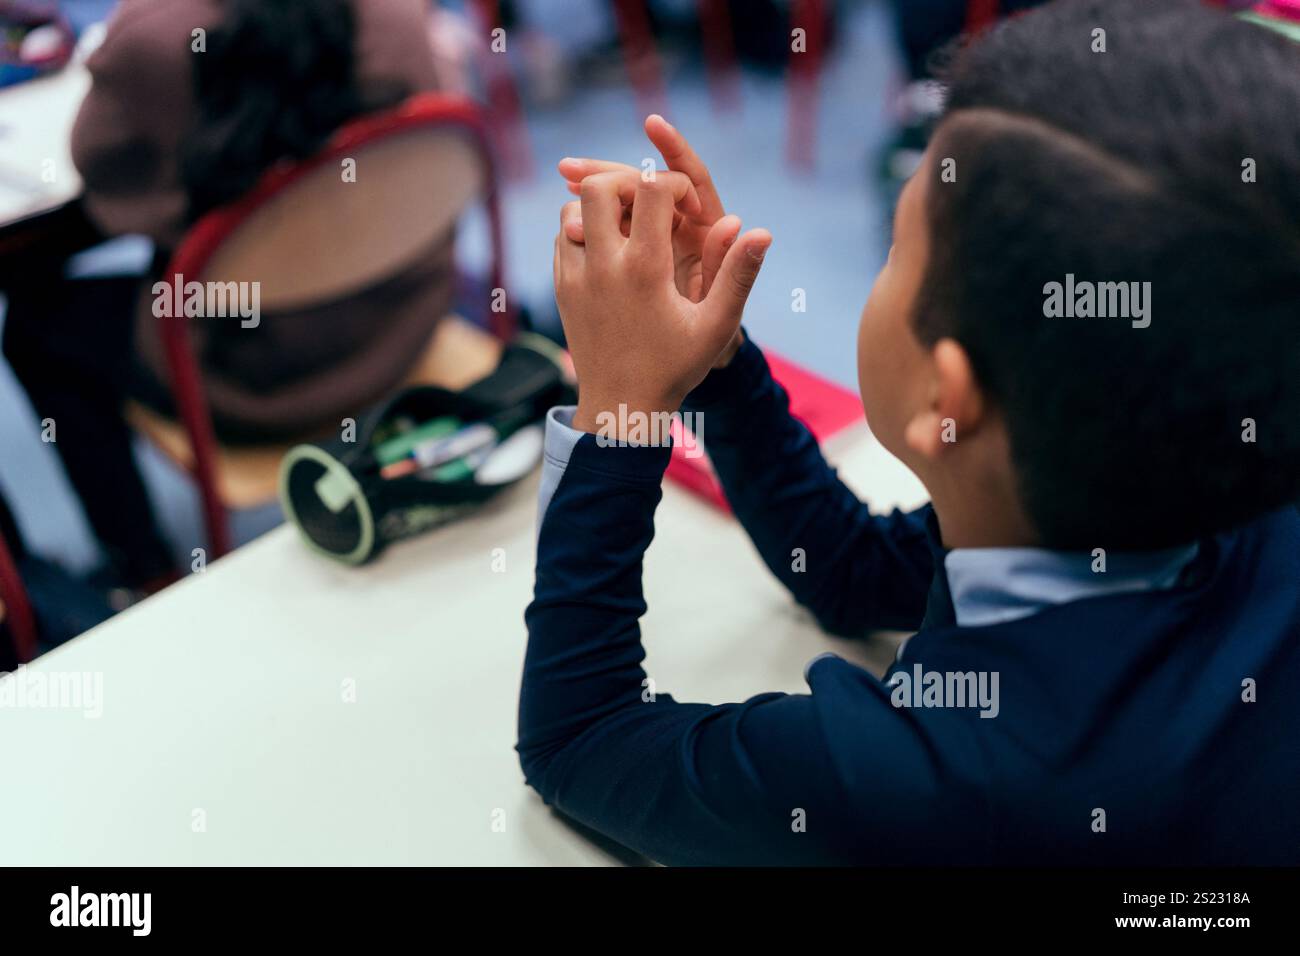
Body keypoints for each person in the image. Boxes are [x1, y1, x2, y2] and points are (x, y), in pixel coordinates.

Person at [517, 0, 1300, 864]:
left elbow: (578, 740)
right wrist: (714, 361)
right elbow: (848, 572)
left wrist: (619, 413)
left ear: (949, 398)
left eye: (896, 249)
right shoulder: (1206, 464)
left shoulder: (924, 783)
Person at [2, 0, 496, 588]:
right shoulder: (398, 11)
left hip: (251, 382)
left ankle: (145, 572)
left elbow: (106, 182)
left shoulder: (148, 39)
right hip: (407, 319)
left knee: (36, 327)